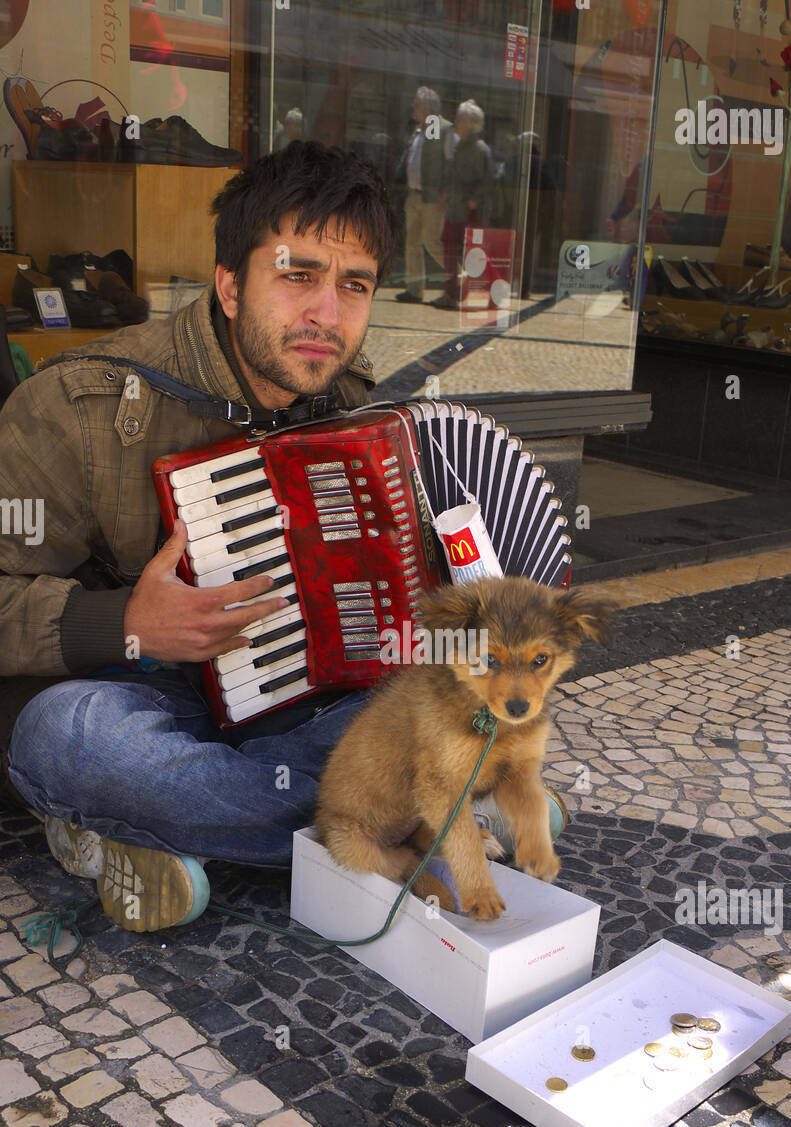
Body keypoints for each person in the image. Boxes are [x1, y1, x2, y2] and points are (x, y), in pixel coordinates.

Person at [0, 140, 398, 933]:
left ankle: (157, 825)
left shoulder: (356, 409)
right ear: (227, 284)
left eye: (354, 285)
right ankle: (410, 824)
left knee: (443, 695)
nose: (327, 313)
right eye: (298, 275)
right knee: (68, 738)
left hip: (292, 699)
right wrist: (126, 624)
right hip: (139, 696)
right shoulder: (76, 408)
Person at [433, 100, 494, 311]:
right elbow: (453, 176)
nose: (456, 122)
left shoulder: (479, 149)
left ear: (471, 123)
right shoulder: (460, 146)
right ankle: (451, 292)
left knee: (474, 254)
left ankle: (484, 293)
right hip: (455, 208)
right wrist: (446, 195)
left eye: (460, 118)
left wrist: (473, 200)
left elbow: (487, 181)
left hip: (470, 212)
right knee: (449, 248)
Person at [395, 87, 453, 305]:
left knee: (431, 242)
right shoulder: (421, 129)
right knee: (412, 244)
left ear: (427, 108)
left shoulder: (439, 128)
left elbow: (449, 164)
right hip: (414, 195)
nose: (413, 107)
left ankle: (461, 281)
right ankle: (414, 290)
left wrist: (445, 194)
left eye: (416, 104)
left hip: (432, 198)